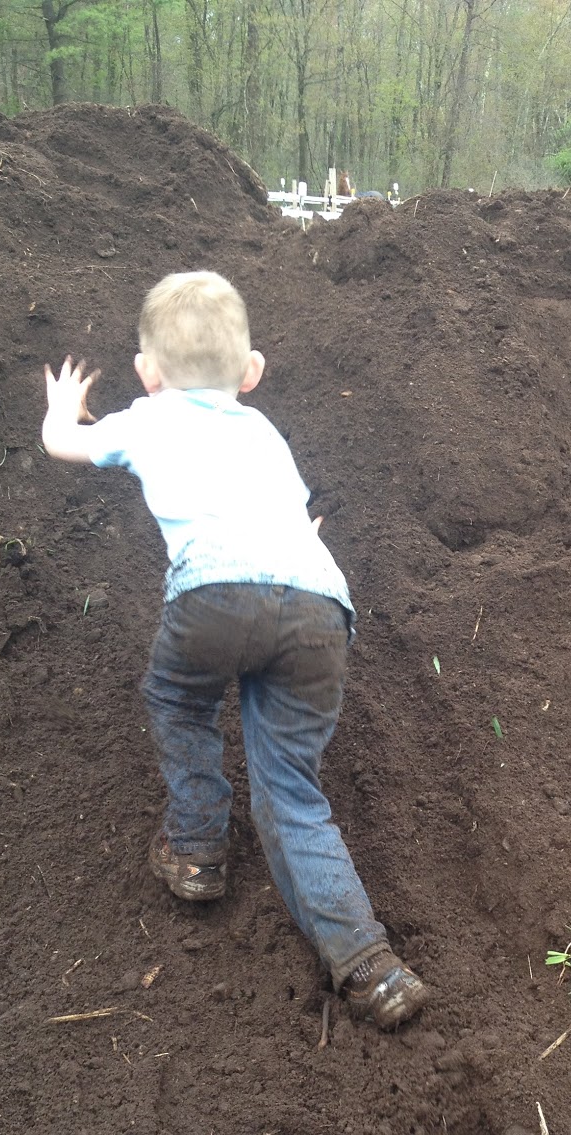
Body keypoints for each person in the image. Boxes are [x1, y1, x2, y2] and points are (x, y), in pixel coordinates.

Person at [41, 270, 429, 1029]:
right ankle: (370, 967)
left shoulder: (146, 417)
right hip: (317, 601)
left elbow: (64, 445)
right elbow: (287, 518)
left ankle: (195, 846)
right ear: (250, 374)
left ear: (148, 374)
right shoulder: (264, 432)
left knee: (177, 698)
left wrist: (64, 410)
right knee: (289, 790)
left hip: (213, 598)